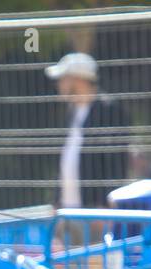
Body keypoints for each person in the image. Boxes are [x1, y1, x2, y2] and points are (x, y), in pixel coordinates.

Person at [46, 52, 130, 210]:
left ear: (78, 79)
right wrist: (56, 201)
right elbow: (65, 160)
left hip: (95, 213)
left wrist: (105, 205)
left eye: (63, 78)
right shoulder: (71, 111)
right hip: (67, 211)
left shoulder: (109, 111)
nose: (59, 84)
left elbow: (116, 162)